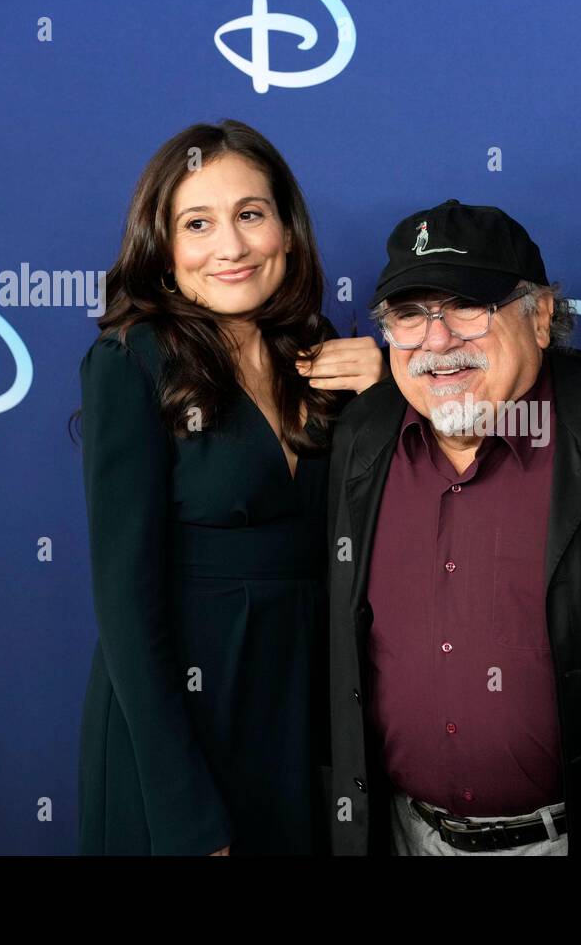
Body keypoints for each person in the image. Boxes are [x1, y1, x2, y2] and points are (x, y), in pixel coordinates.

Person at [75, 119, 384, 855]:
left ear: (286, 226)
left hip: (297, 716)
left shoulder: (316, 353)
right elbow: (124, 604)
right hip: (182, 733)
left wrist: (390, 397)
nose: (231, 247)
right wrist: (185, 814)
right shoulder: (131, 362)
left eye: (251, 214)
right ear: (163, 246)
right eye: (197, 223)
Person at [325, 200, 581, 855]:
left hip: (573, 838)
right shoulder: (362, 435)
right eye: (410, 314)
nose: (437, 340)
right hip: (406, 834)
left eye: (468, 305)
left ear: (541, 315)